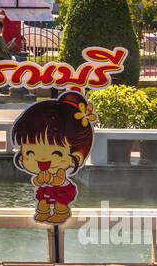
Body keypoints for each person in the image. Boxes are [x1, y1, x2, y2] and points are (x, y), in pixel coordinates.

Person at [11, 91, 95, 224]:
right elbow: (38, 182)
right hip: (47, 189)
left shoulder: (60, 171)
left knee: (60, 204)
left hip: (62, 191)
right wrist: (40, 179)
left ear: (77, 157)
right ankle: (43, 212)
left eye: (57, 153)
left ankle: (61, 212)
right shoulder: (43, 171)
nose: (42, 158)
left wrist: (49, 178)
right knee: (42, 203)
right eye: (30, 152)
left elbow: (58, 180)